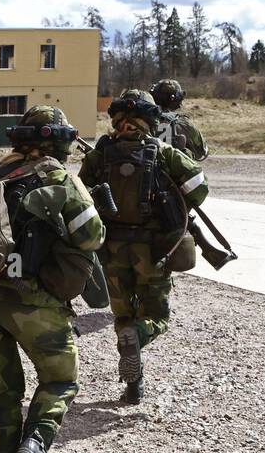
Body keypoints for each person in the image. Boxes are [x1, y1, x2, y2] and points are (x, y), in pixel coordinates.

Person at [0, 105, 105, 453]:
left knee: (0, 394)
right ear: (59, 142)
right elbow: (92, 237)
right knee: (60, 379)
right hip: (33, 298)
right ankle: (36, 443)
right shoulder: (58, 176)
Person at [80, 90, 208, 404]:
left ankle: (133, 386)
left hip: (111, 251)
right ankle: (137, 336)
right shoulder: (163, 152)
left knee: (123, 315)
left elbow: (80, 196)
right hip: (154, 251)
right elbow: (199, 188)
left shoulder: (100, 154)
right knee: (156, 316)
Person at [152, 79, 208, 161]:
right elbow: (202, 153)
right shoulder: (183, 123)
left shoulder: (142, 119)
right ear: (175, 100)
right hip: (174, 171)